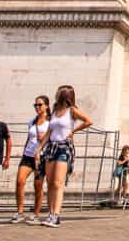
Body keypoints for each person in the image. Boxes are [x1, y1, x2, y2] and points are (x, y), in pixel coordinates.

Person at [35, 84, 93, 228]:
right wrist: (39, 149)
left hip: (64, 147)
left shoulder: (72, 111)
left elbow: (89, 121)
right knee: (49, 182)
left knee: (58, 183)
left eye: (59, 93)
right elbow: (49, 131)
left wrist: (74, 131)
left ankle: (56, 215)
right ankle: (50, 213)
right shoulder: (54, 111)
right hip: (51, 147)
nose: (56, 94)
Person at [12, 94, 50, 223]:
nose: (37, 107)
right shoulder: (32, 122)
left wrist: (45, 138)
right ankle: (20, 211)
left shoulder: (50, 123)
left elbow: (53, 139)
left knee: (37, 186)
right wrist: (23, 151)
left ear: (47, 106)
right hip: (28, 155)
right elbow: (29, 138)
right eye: (36, 105)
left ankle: (36, 213)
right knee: (19, 181)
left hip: (42, 156)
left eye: (40, 105)